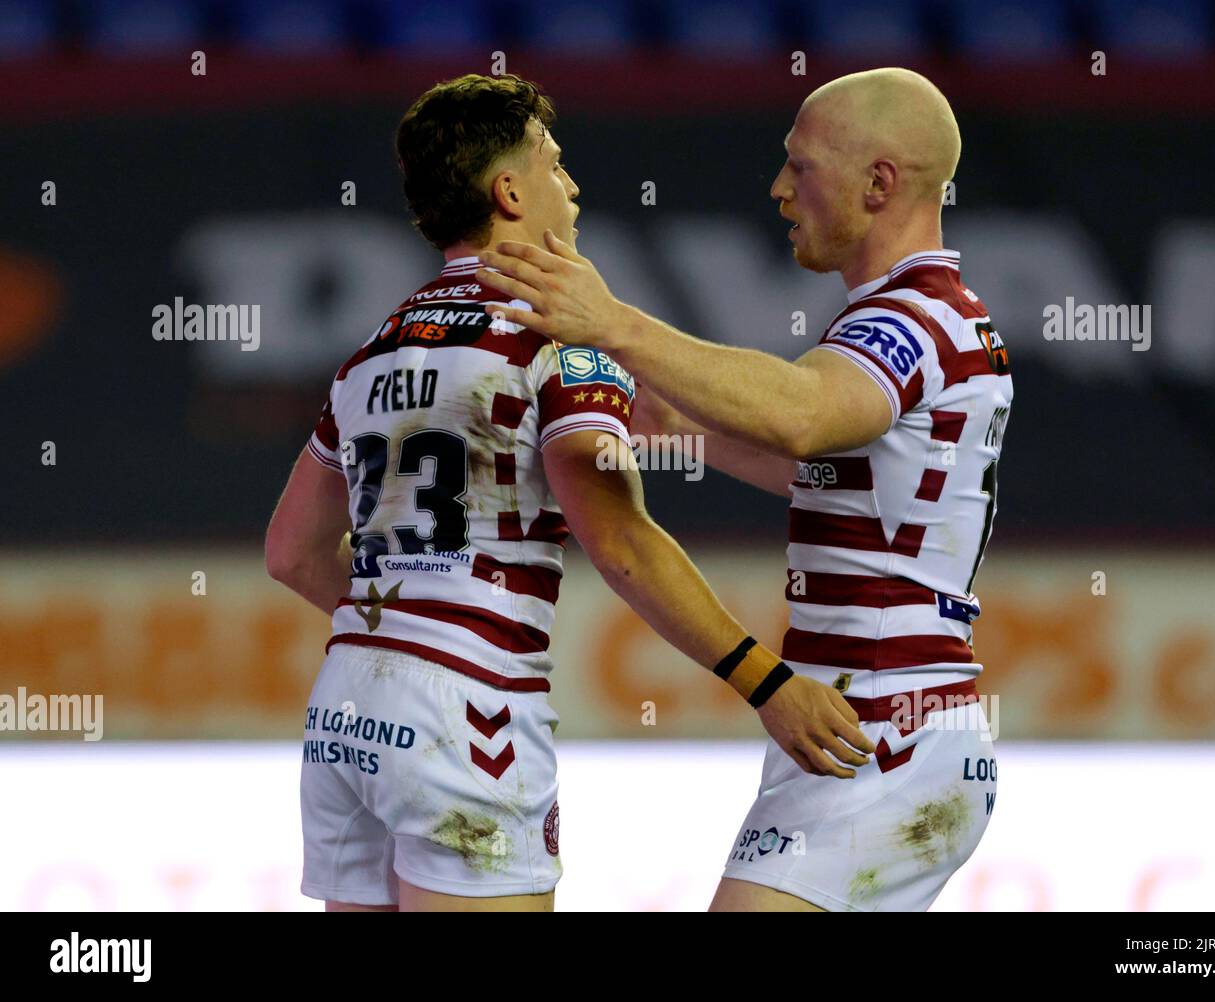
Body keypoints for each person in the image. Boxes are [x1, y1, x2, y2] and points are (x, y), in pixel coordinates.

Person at [264, 73, 871, 913]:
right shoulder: (556, 339)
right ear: (510, 191)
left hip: (347, 705)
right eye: (554, 164)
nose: (573, 186)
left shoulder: (370, 353)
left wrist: (401, 631)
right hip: (468, 713)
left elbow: (290, 553)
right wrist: (768, 683)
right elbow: (619, 541)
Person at [475, 68, 1011, 912]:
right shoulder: (938, 313)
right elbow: (824, 471)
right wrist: (658, 418)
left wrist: (615, 321)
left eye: (800, 166)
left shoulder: (909, 319)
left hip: (882, 734)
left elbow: (802, 414)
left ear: (879, 183)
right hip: (888, 730)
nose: (779, 188)